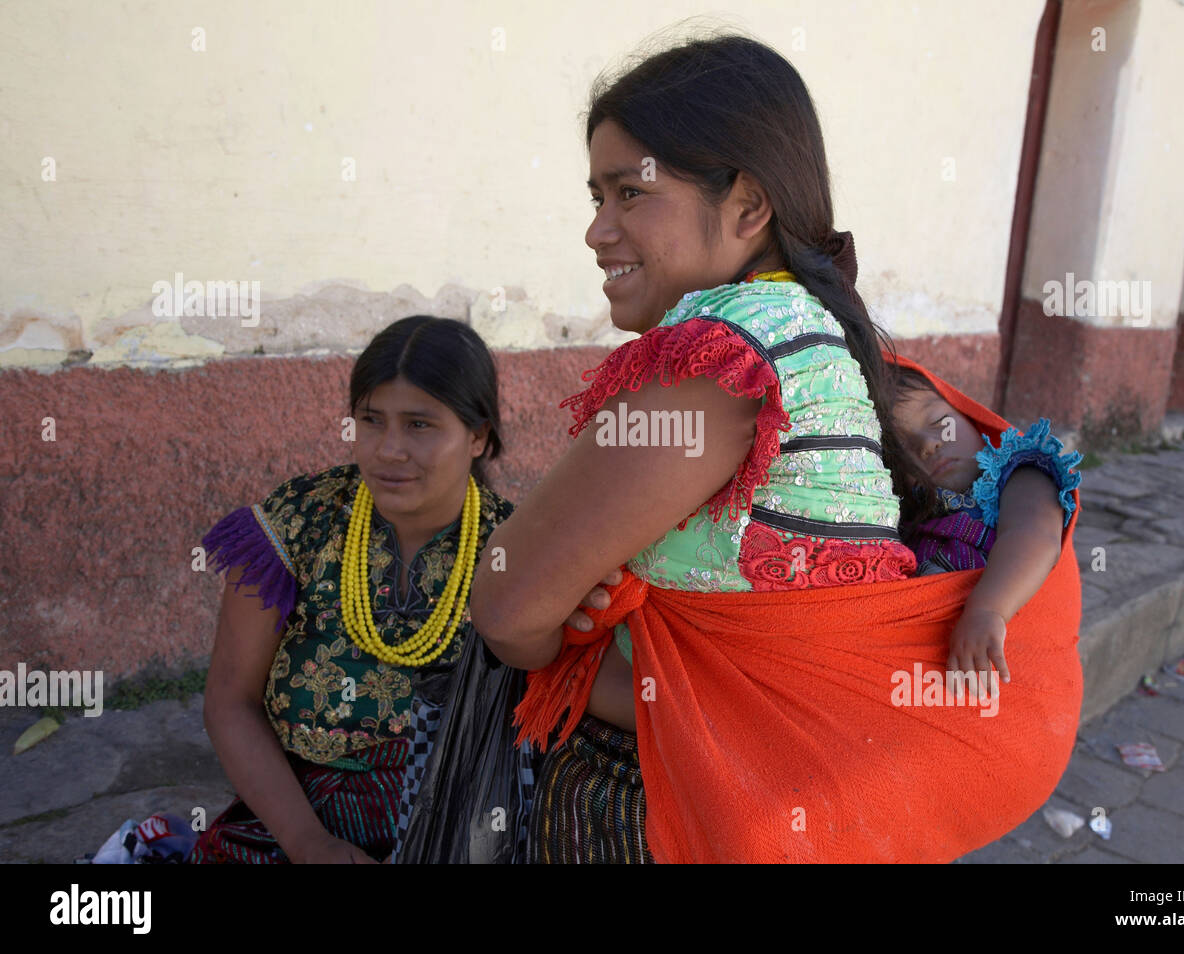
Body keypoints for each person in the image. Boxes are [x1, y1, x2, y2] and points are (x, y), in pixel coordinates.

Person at [469, 33, 1083, 863]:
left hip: (673, 802)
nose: (595, 231)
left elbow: (508, 606)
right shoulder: (825, 333)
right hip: (800, 804)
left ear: (748, 207)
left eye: (628, 194)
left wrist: (574, 656)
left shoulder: (726, 354)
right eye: (595, 195)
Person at [190, 315, 572, 863]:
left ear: (478, 436)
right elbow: (230, 702)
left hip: (459, 828)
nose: (389, 449)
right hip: (291, 821)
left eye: (419, 425)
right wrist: (308, 843)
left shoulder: (515, 553)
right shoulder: (296, 525)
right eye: (372, 420)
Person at [887, 361, 1083, 693]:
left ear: (969, 415)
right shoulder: (911, 521)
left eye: (939, 422)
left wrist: (988, 610)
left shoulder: (1018, 474)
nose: (928, 444)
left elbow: (1034, 536)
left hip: (1008, 660)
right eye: (903, 448)